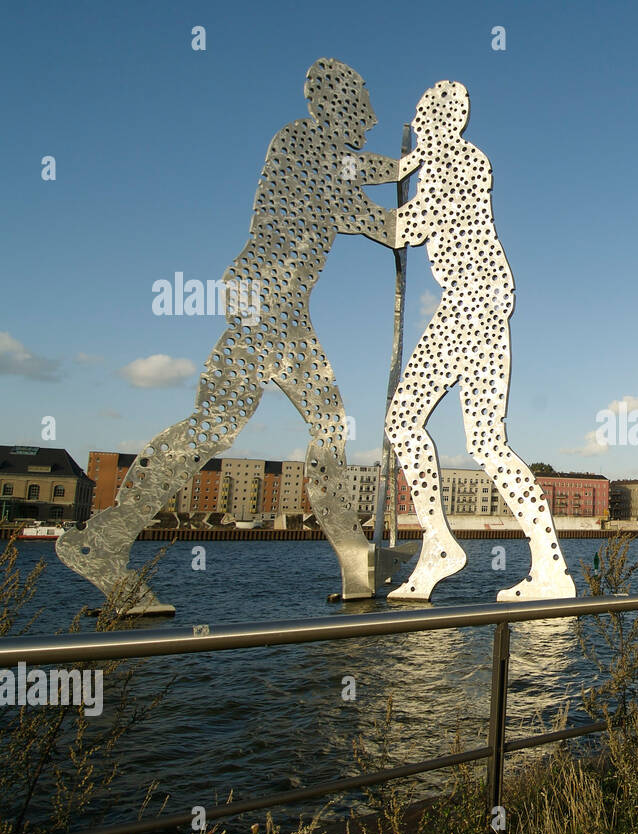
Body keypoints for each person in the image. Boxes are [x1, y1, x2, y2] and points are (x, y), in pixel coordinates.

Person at [58, 60, 417, 611]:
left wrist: (408, 166)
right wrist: (427, 199)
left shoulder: (318, 150)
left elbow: (365, 170)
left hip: (281, 309)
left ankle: (353, 558)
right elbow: (372, 215)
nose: (370, 116)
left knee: (306, 426)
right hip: (265, 304)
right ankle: (103, 541)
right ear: (334, 105)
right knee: (227, 428)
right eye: (361, 104)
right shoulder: (303, 144)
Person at [385, 81, 576, 602]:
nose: (421, 133)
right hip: (478, 302)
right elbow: (408, 190)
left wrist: (341, 211)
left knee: (405, 423)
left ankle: (442, 544)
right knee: (484, 441)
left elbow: (408, 226)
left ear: (437, 123)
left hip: (471, 303)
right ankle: (542, 565)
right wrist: (387, 169)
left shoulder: (455, 163)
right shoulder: (457, 159)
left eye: (425, 124)